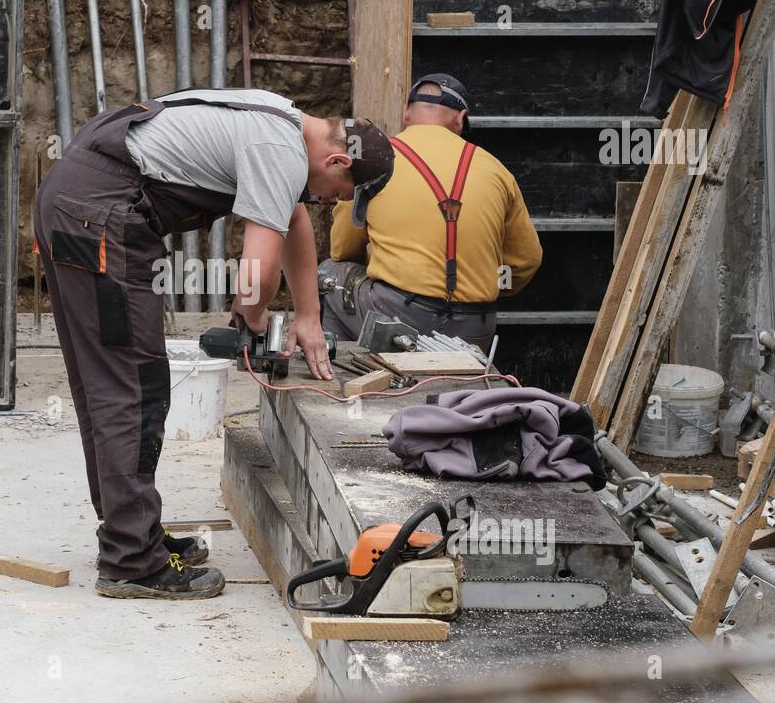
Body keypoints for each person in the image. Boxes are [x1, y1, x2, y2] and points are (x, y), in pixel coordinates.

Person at [33, 88, 393, 600]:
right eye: (336, 193)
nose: (326, 203)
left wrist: (309, 316)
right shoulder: (279, 150)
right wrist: (252, 316)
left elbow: (290, 219)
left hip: (78, 204)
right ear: (337, 160)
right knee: (133, 388)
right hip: (101, 222)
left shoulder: (281, 119)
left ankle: (132, 534)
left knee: (109, 384)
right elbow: (254, 276)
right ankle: (133, 563)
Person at [320, 73, 542, 352]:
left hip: (398, 319)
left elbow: (343, 249)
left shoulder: (373, 162)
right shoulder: (495, 168)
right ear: (461, 118)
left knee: (329, 273)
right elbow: (526, 261)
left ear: (405, 113)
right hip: (475, 328)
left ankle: (340, 371)